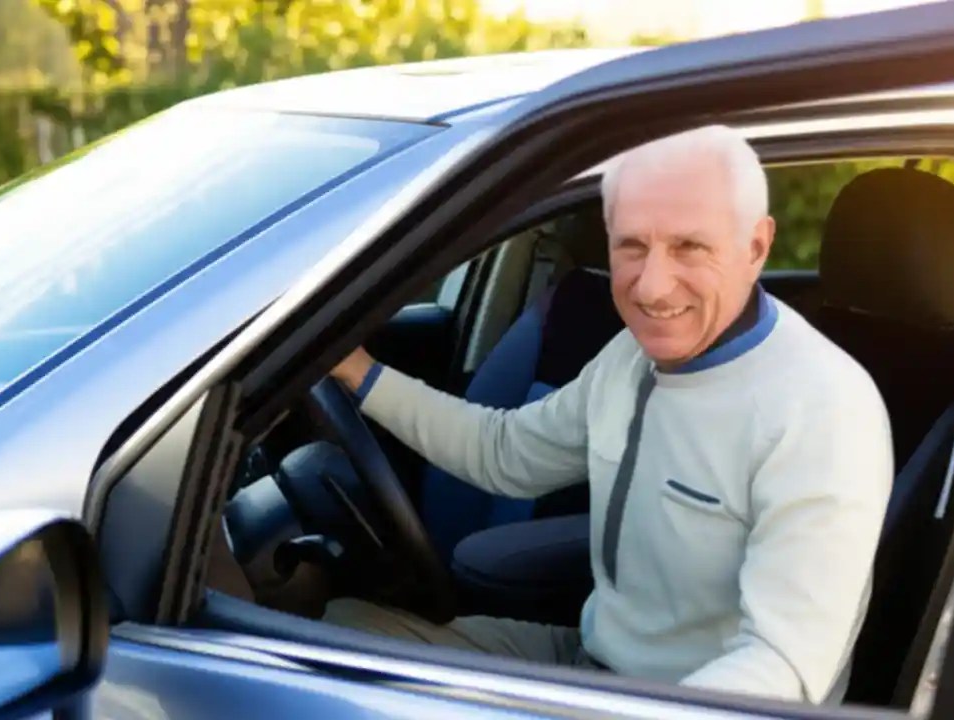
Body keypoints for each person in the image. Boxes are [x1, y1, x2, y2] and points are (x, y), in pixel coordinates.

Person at [325, 125, 893, 704]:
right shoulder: (631, 355)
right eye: (632, 246)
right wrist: (358, 373)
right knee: (333, 639)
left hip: (688, 705)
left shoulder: (823, 407)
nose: (651, 287)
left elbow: (780, 672)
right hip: (590, 662)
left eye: (688, 246)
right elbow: (503, 453)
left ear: (755, 246)